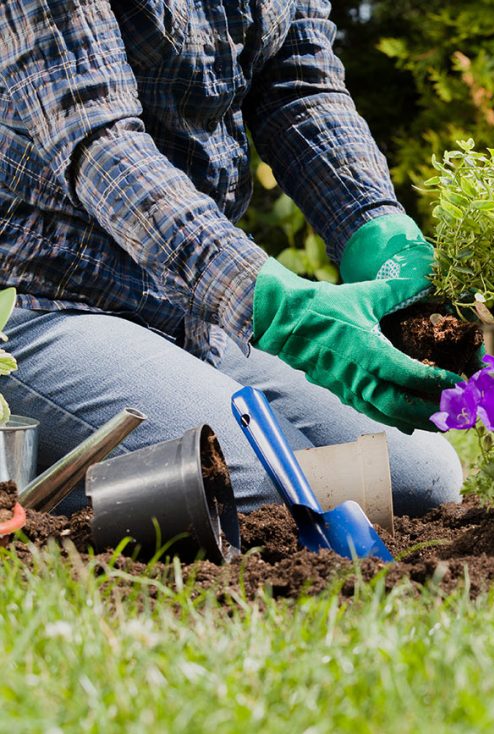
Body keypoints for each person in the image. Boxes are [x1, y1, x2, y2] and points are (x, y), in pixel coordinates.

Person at [0, 1, 464, 514]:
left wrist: (376, 230)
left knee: (418, 478)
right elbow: (94, 134)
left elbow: (297, 84)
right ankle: (16, 472)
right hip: (38, 302)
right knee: (264, 493)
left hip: (187, 310)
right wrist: (280, 309)